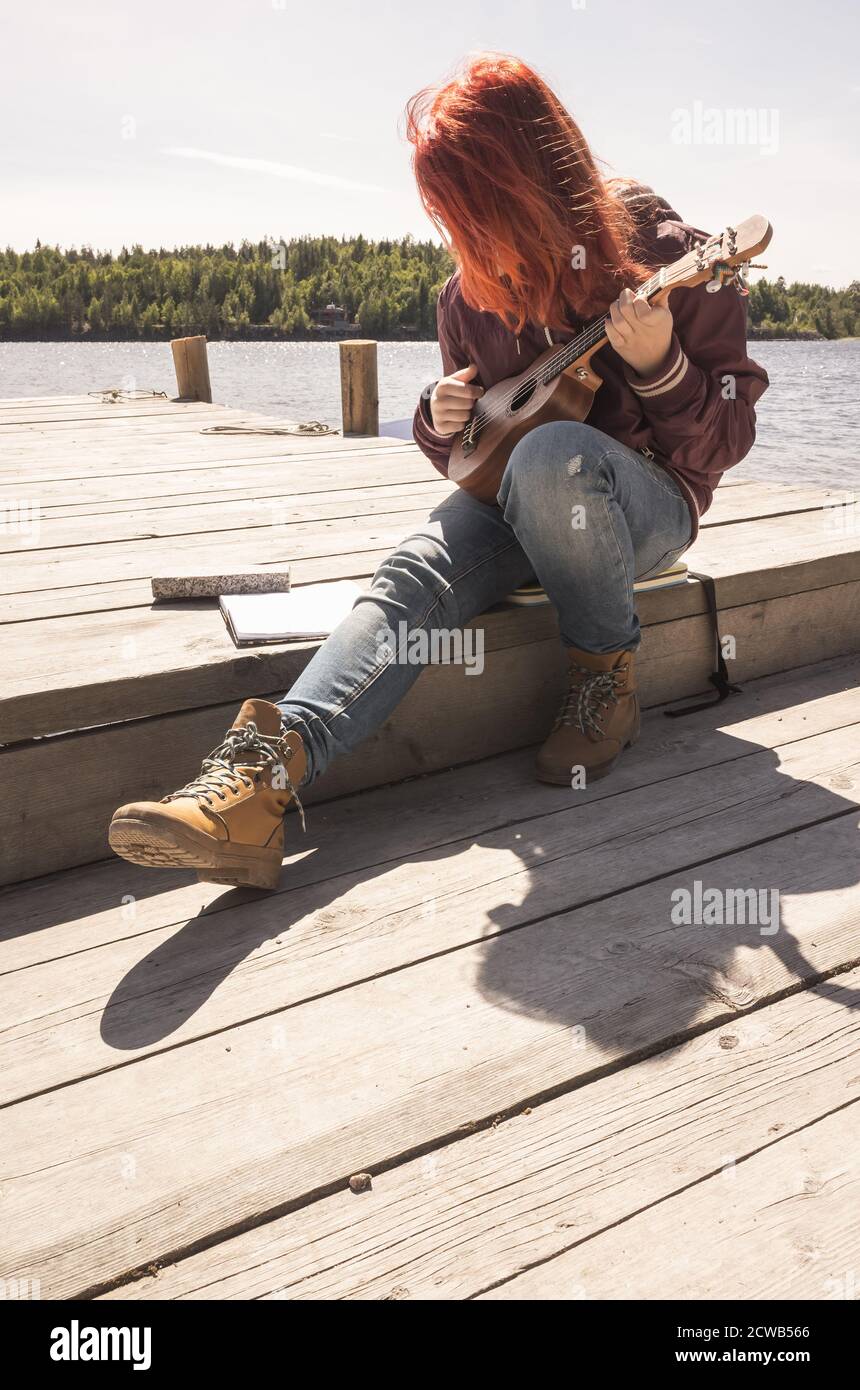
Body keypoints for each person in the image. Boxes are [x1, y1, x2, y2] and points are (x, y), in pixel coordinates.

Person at [108, 53, 768, 891]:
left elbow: (723, 444)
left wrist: (664, 363)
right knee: (412, 568)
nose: (469, 237)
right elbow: (472, 456)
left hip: (648, 507)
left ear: (536, 176)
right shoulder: (464, 297)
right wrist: (437, 418)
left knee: (555, 455)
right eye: (454, 215)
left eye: (479, 207)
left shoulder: (669, 255)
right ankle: (255, 785)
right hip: (515, 506)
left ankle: (605, 677)